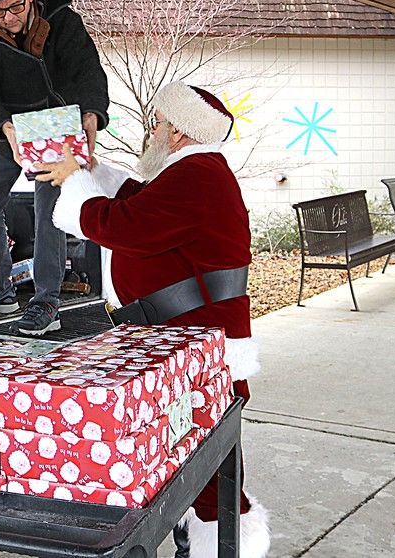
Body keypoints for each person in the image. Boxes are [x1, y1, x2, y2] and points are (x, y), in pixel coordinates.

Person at [37, 81, 270, 558]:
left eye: (158, 122)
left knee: (203, 463)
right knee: (190, 452)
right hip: (183, 338)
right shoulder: (193, 172)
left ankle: (222, 546)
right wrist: (91, 171)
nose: (152, 131)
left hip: (195, 343)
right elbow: (141, 198)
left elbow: (127, 225)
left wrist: (75, 183)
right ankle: (203, 541)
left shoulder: (199, 175)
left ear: (180, 132)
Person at [0, 0, 109, 336]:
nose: (7, 18)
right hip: (10, 126)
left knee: (47, 214)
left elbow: (88, 69)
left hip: (55, 125)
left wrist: (92, 112)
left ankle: (46, 301)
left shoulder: (62, 19)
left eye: (14, 8)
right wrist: (3, 128)